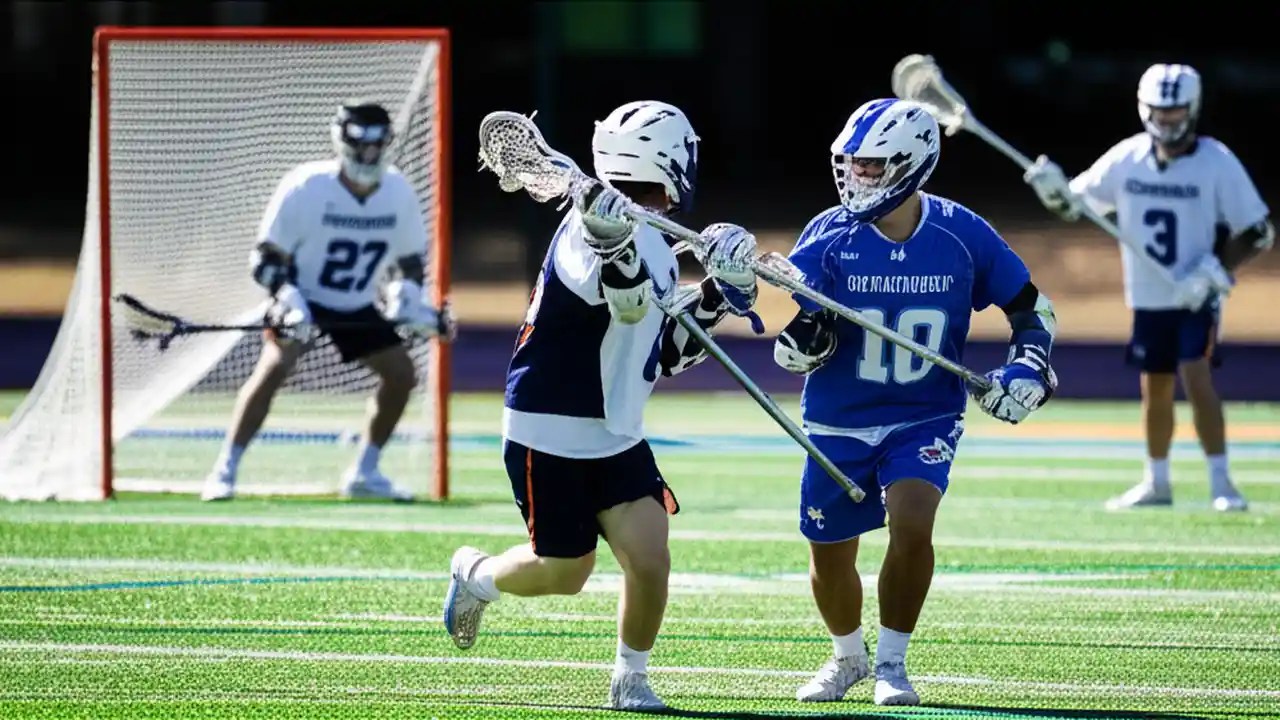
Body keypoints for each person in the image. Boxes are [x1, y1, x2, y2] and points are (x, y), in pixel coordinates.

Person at [442, 100, 760, 712]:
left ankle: (630, 678)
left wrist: (722, 293)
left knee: (650, 555)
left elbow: (664, 353)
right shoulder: (582, 233)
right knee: (566, 572)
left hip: (617, 428)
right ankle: (476, 575)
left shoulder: (654, 239)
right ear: (667, 161)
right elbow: (629, 306)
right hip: (552, 428)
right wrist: (614, 244)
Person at [773, 98, 1059, 706]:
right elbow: (806, 321)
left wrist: (1028, 366)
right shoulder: (828, 234)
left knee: (912, 522)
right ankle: (848, 657)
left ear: (912, 162)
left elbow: (1033, 309)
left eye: (872, 166)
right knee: (828, 551)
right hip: (837, 417)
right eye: (849, 164)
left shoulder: (962, 233)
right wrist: (802, 340)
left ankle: (893, 665)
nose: (856, 177)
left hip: (923, 414)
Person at [1023, 63, 1272, 512]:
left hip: (1196, 293)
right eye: (1160, 111)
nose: (1168, 120)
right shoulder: (1129, 157)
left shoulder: (1215, 160)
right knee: (1154, 385)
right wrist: (1054, 190)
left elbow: (1257, 229)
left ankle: (1221, 481)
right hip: (1148, 295)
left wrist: (1215, 271)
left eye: (1176, 112)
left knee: (1196, 377)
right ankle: (1156, 480)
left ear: (1192, 110)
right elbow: (1077, 205)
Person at [201, 101, 453, 502]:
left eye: (377, 146)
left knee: (402, 374)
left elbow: (409, 261)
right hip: (304, 294)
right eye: (362, 146)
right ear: (343, 142)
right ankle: (224, 468)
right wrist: (288, 299)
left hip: (354, 301)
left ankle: (365, 472)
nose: (369, 155)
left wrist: (410, 298)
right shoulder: (307, 186)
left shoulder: (397, 190)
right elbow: (264, 259)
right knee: (275, 365)